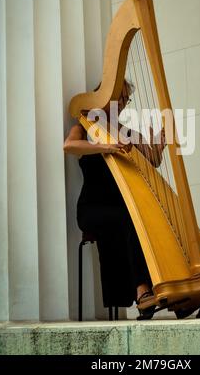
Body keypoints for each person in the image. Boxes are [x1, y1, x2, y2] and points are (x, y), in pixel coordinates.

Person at [64, 80, 166, 319]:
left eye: (125, 100)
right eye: (118, 98)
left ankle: (164, 286)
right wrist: (106, 145)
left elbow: (151, 159)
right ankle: (142, 289)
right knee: (130, 217)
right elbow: (69, 145)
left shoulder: (126, 132)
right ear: (104, 97)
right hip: (92, 208)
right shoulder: (86, 124)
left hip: (120, 207)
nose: (122, 104)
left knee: (142, 216)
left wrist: (158, 149)